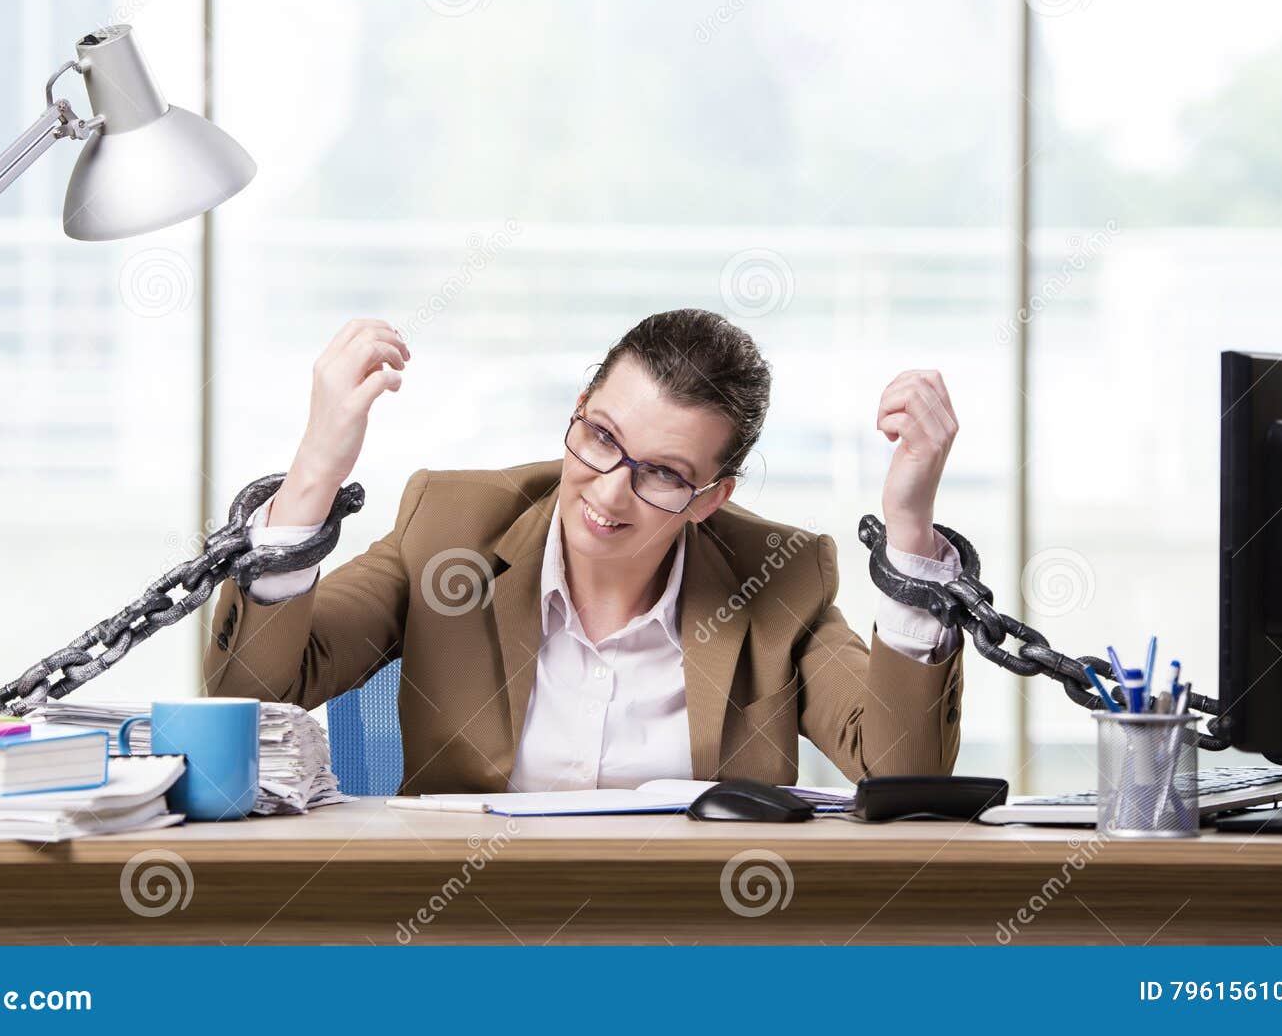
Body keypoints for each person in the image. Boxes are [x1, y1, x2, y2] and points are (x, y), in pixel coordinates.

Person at [204, 309, 965, 794]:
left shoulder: (778, 580)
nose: (607, 493)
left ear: (711, 499)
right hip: (470, 945)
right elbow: (251, 692)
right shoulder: (451, 528)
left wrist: (909, 528)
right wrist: (314, 472)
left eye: (663, 474)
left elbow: (906, 773)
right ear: (578, 411)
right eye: (601, 438)